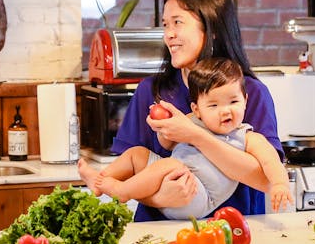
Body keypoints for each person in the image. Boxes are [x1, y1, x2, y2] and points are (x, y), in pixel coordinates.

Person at [110, 0, 286, 221]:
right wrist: (160, 199)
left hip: (233, 232)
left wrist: (194, 135)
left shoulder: (250, 93)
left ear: (212, 29)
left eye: (178, 23)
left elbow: (265, 180)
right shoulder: (152, 91)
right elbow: (129, 172)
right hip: (158, 233)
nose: (168, 35)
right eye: (165, 25)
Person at [78, 57, 292, 217]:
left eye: (233, 102)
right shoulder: (192, 120)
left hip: (200, 196)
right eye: (214, 105)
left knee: (171, 165)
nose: (225, 111)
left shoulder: (247, 136)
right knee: (137, 155)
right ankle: (101, 180)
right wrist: (164, 129)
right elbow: (167, 143)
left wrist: (280, 185)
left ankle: (122, 191)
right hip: (173, 183)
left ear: (246, 100)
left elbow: (271, 162)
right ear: (196, 109)